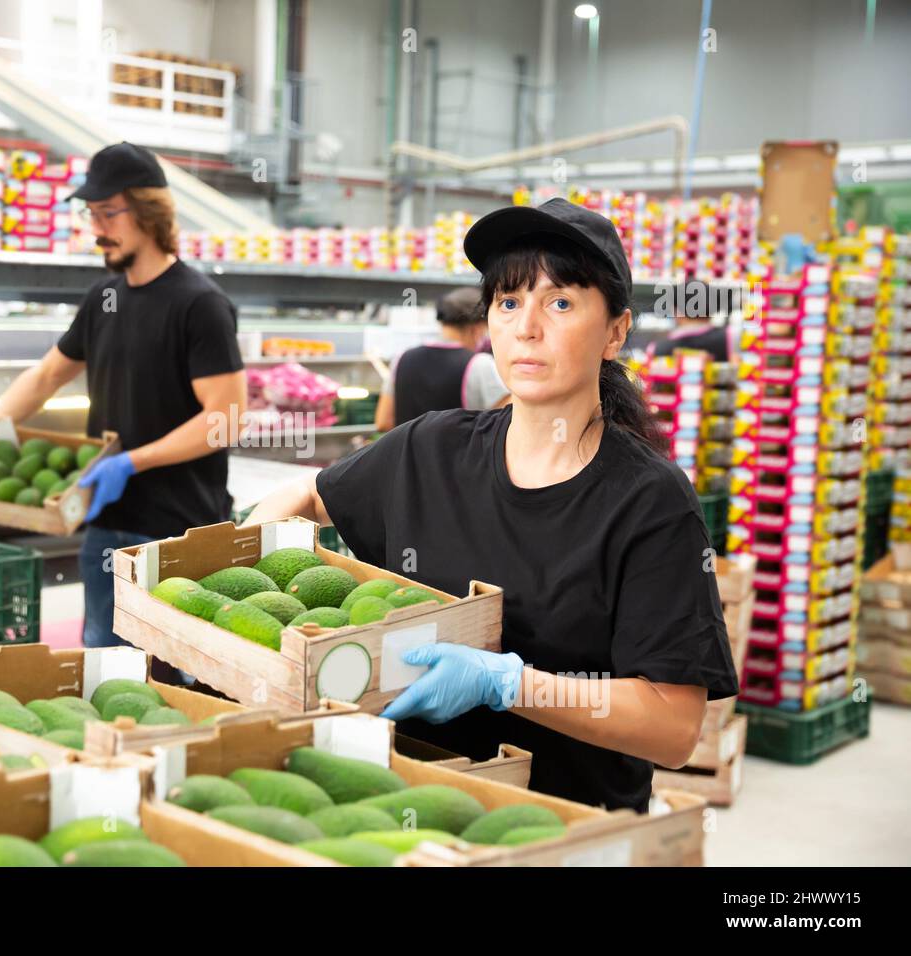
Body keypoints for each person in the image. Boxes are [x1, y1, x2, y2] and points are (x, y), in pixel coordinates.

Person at [244, 198, 738, 811]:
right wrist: (243, 587)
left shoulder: (649, 501)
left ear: (615, 332)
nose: (527, 327)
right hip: (403, 812)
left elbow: (673, 729)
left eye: (560, 302)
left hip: (559, 829)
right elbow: (306, 494)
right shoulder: (429, 448)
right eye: (509, 302)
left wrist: (506, 683)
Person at [0, 142, 246, 651]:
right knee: (103, 662)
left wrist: (131, 463)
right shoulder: (105, 298)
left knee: (175, 669)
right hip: (105, 524)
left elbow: (225, 419)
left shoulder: (200, 304)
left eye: (108, 213)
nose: (97, 228)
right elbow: (48, 375)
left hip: (177, 531)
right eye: (91, 214)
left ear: (149, 211)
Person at [374, 287, 510, 432]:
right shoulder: (480, 365)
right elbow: (510, 421)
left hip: (408, 454)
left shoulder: (402, 359)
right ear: (476, 329)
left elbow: (383, 422)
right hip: (462, 454)